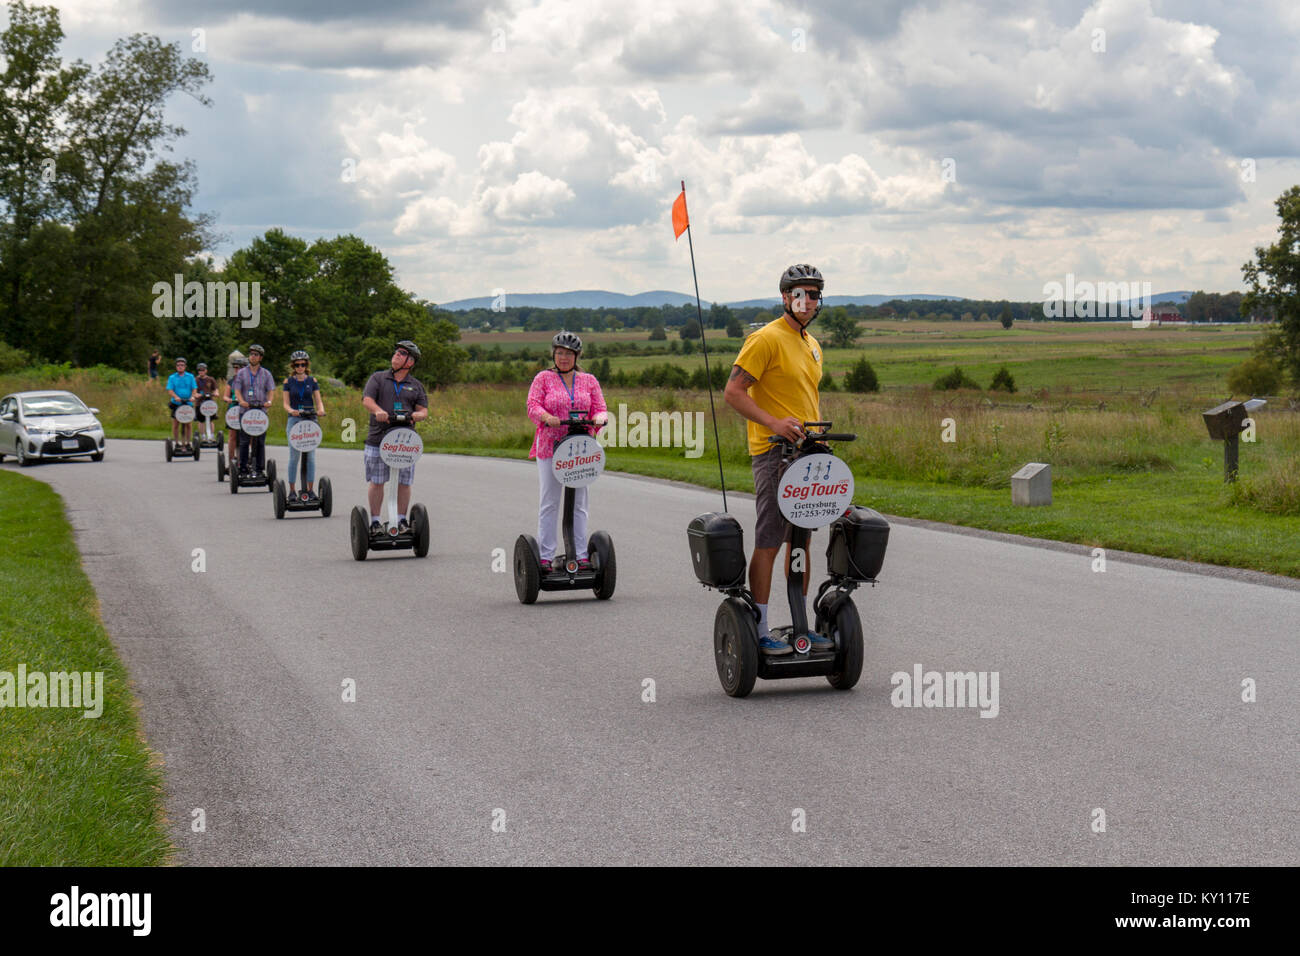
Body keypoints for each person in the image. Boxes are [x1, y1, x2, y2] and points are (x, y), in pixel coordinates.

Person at [723, 263, 831, 656]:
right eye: (799, 293)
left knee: (801, 539)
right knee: (770, 538)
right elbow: (734, 392)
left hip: (808, 453)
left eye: (814, 294)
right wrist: (773, 423)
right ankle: (762, 627)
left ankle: (801, 625)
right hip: (772, 451)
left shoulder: (811, 343)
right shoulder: (765, 339)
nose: (807, 300)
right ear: (785, 297)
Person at [525, 331, 608, 572]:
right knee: (550, 501)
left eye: (568, 354)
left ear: (576, 356)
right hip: (551, 446)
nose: (563, 358)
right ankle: (546, 556)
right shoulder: (543, 378)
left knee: (580, 502)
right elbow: (532, 405)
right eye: (560, 353)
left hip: (581, 447)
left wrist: (600, 418)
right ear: (554, 354)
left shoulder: (589, 380)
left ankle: (581, 555)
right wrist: (546, 417)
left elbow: (599, 407)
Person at [360, 341, 429, 533]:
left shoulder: (415, 386)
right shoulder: (378, 378)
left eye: (402, 353)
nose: (396, 355)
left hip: (405, 442)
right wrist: (378, 411)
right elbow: (367, 400)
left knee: (404, 482)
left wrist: (418, 415)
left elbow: (423, 410)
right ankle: (374, 521)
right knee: (377, 480)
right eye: (397, 352)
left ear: (410, 362)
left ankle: (401, 520)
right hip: (378, 438)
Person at [282, 350, 326, 500]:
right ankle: (292, 491)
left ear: (306, 365)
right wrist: (291, 411)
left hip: (310, 420)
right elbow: (285, 403)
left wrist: (321, 410)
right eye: (297, 364)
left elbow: (318, 400)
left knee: (311, 457)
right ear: (293, 366)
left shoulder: (312, 381)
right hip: (294, 420)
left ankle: (310, 490)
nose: (300, 367)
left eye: (303, 364)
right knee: (294, 457)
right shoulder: (288, 382)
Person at [232, 344, 276, 477]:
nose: (253, 356)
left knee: (260, 440)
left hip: (261, 411)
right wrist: (241, 401)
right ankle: (243, 468)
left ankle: (259, 468)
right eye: (251, 354)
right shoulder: (241, 373)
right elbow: (237, 390)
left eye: (256, 355)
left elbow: (271, 390)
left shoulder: (266, 374)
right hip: (245, 411)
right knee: (244, 440)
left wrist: (269, 402)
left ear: (260, 358)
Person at [165, 357, 198, 444]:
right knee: (176, 424)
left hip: (188, 402)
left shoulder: (190, 377)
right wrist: (175, 397)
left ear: (185, 366)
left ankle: (187, 442)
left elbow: (194, 388)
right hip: (177, 403)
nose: (180, 367)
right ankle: (176, 442)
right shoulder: (172, 377)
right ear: (176, 366)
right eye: (178, 365)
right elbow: (170, 390)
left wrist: (193, 396)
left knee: (188, 423)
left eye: (182, 365)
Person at [223, 354, 247, 465]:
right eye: (235, 367)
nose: (237, 370)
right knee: (232, 435)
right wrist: (229, 400)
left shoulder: (248, 381)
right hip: (233, 409)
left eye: (239, 367)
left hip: (245, 410)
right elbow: (225, 396)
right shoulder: (231, 381)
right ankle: (232, 460)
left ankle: (246, 459)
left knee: (248, 435)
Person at [193, 362, 218, 439]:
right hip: (199, 403)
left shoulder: (211, 379)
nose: (201, 372)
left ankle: (212, 436)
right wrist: (196, 395)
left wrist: (216, 393)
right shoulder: (195, 380)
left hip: (209, 403)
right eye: (200, 370)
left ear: (206, 371)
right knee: (201, 420)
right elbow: (194, 391)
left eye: (203, 370)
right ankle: (203, 435)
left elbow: (215, 389)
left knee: (210, 420)